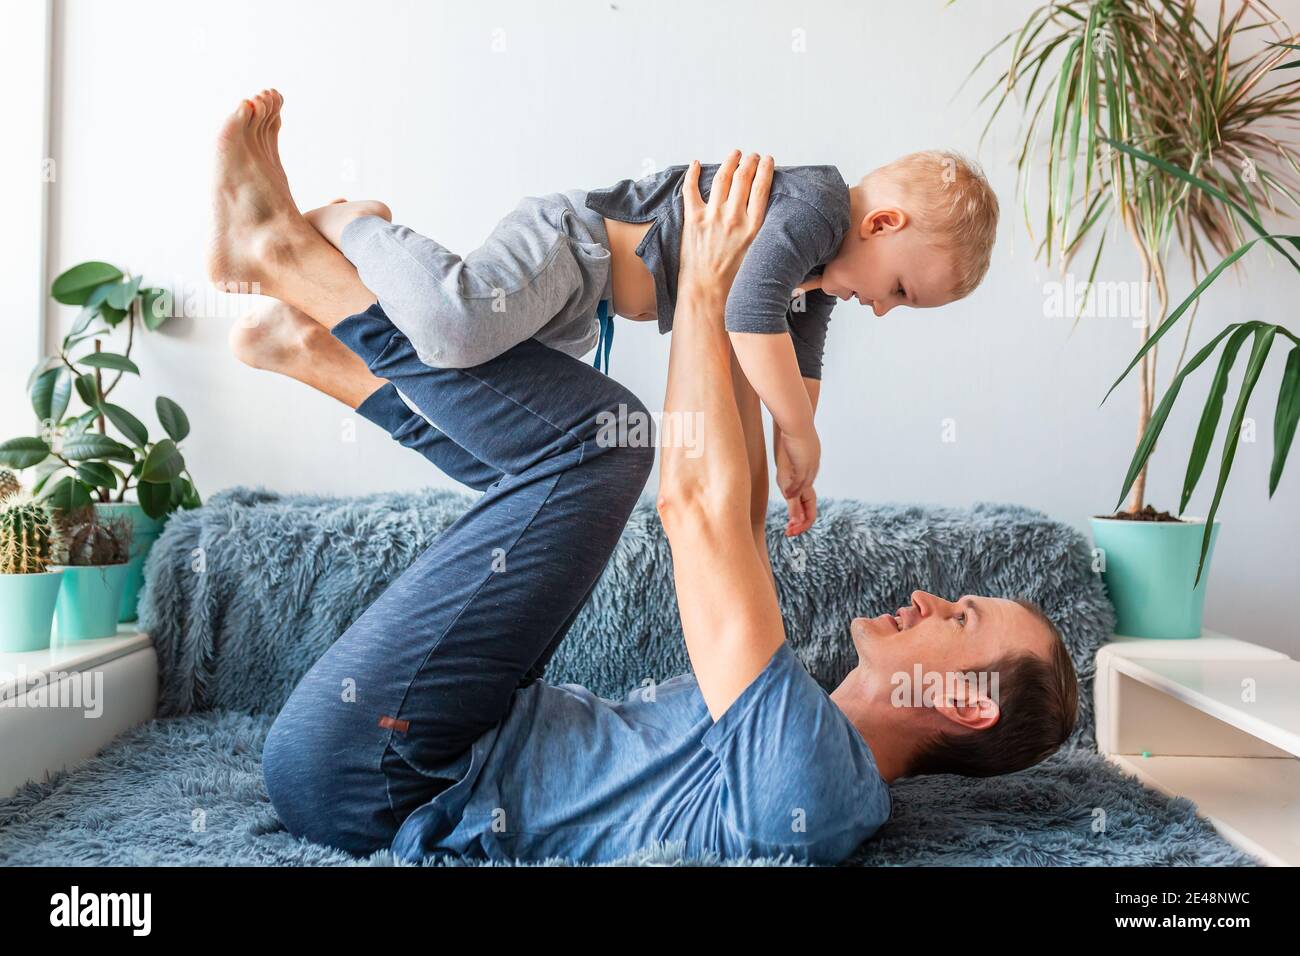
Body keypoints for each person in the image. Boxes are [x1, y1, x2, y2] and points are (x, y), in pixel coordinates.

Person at [211, 91, 1075, 865]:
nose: (930, 598)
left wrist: (703, 289)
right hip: (437, 736)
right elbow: (733, 523)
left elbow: (692, 510)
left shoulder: (814, 782)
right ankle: (321, 353)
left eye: (961, 618)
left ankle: (289, 252)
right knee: (533, 469)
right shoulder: (803, 728)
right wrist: (749, 325)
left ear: (967, 708)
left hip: (384, 775)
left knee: (606, 446)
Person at [225, 91, 999, 540]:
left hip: (582, 306)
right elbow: (747, 309)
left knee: (510, 463)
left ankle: (301, 342)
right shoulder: (818, 204)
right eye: (901, 290)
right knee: (454, 326)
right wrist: (798, 430)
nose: (887, 309)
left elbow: (802, 361)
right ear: (883, 225)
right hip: (573, 243)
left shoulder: (823, 274)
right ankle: (352, 226)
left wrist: (793, 463)